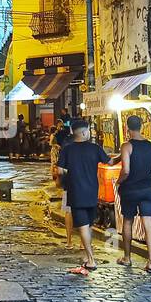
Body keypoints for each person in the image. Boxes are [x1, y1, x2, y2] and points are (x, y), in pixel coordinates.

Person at [58, 118, 110, 275]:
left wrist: (66, 180)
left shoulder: (67, 150)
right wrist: (124, 154)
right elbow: (110, 161)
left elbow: (60, 171)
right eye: (88, 130)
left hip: (76, 192)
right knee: (88, 225)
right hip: (92, 192)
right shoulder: (95, 148)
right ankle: (89, 258)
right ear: (83, 132)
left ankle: (91, 260)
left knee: (83, 226)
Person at [116, 115, 151, 273]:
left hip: (130, 189)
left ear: (127, 128)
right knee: (148, 223)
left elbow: (126, 170)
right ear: (142, 126)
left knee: (128, 221)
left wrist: (119, 181)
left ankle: (127, 258)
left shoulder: (126, 146)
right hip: (147, 188)